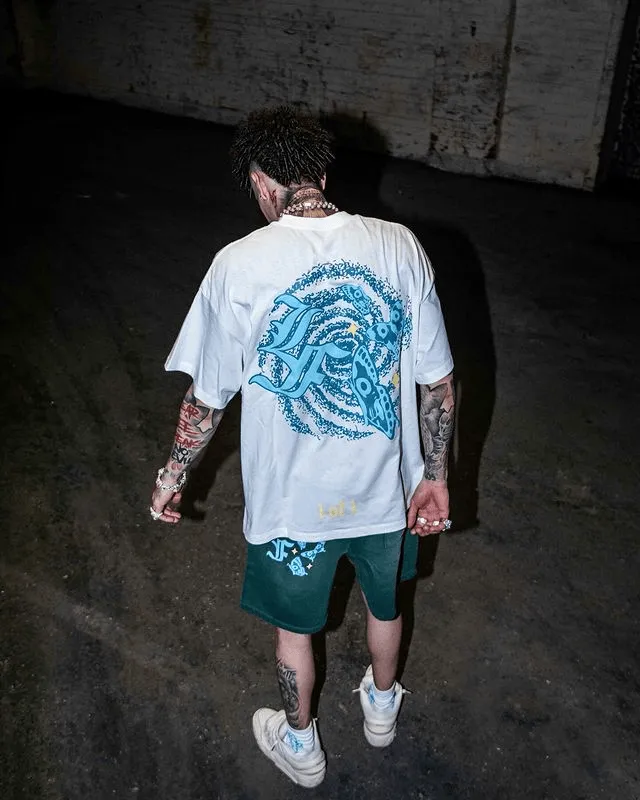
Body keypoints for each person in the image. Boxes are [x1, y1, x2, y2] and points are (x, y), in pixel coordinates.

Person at [149, 106, 455, 788]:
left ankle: (301, 747)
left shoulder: (238, 264)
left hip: (292, 506)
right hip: (388, 492)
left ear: (261, 183)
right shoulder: (399, 245)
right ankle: (382, 709)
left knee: (295, 631)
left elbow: (207, 398)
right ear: (320, 172)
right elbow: (437, 380)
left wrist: (173, 474)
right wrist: (434, 476)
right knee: (387, 604)